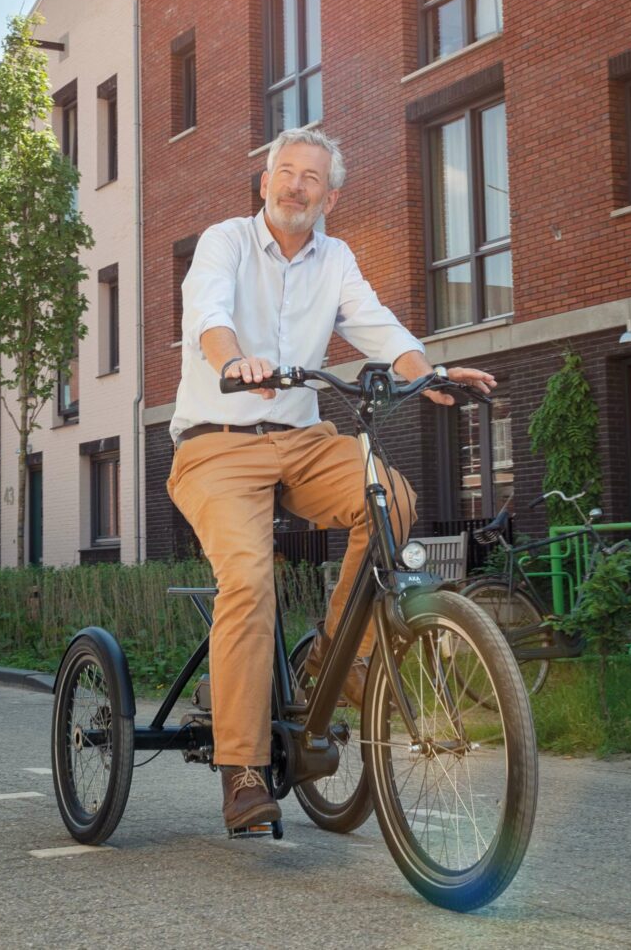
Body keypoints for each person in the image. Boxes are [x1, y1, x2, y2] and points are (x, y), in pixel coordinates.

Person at [166, 127, 497, 831]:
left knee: (393, 498)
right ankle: (244, 768)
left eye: (310, 178)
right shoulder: (224, 241)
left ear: (330, 196)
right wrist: (234, 361)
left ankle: (337, 656)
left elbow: (374, 324)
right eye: (284, 172)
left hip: (304, 440)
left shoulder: (336, 256)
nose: (295, 185)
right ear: (264, 183)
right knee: (249, 581)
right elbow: (208, 314)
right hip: (217, 445)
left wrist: (425, 372)